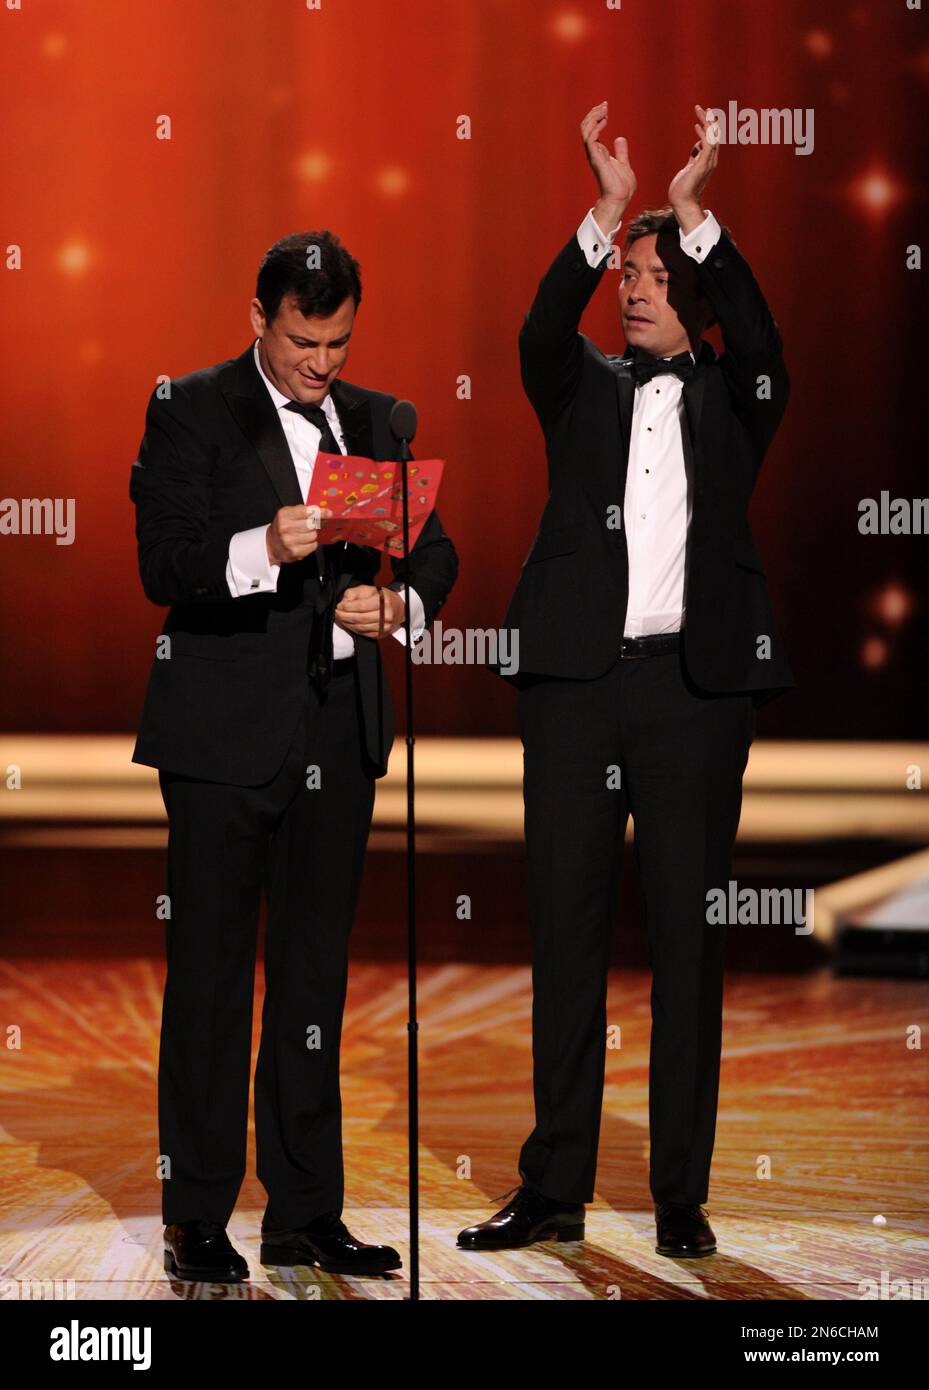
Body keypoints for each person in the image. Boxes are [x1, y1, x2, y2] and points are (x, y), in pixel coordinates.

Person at [459, 101, 792, 1258]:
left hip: (692, 698)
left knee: (688, 949)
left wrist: (697, 220)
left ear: (690, 292)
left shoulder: (733, 402)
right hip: (572, 691)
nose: (632, 287)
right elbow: (536, 334)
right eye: (627, 272)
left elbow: (762, 350)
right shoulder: (580, 388)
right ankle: (551, 1186)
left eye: (653, 273)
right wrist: (602, 210)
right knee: (563, 934)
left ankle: (678, 1196)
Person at [130, 228, 458, 1281]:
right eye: (304, 339)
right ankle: (195, 1213)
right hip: (223, 741)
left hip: (335, 733)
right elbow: (162, 560)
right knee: (213, 981)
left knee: (313, 984)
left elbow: (437, 551)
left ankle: (304, 1211)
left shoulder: (372, 423)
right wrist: (259, 547)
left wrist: (394, 603)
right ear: (258, 319)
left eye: (338, 341)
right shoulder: (192, 407)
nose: (323, 362)